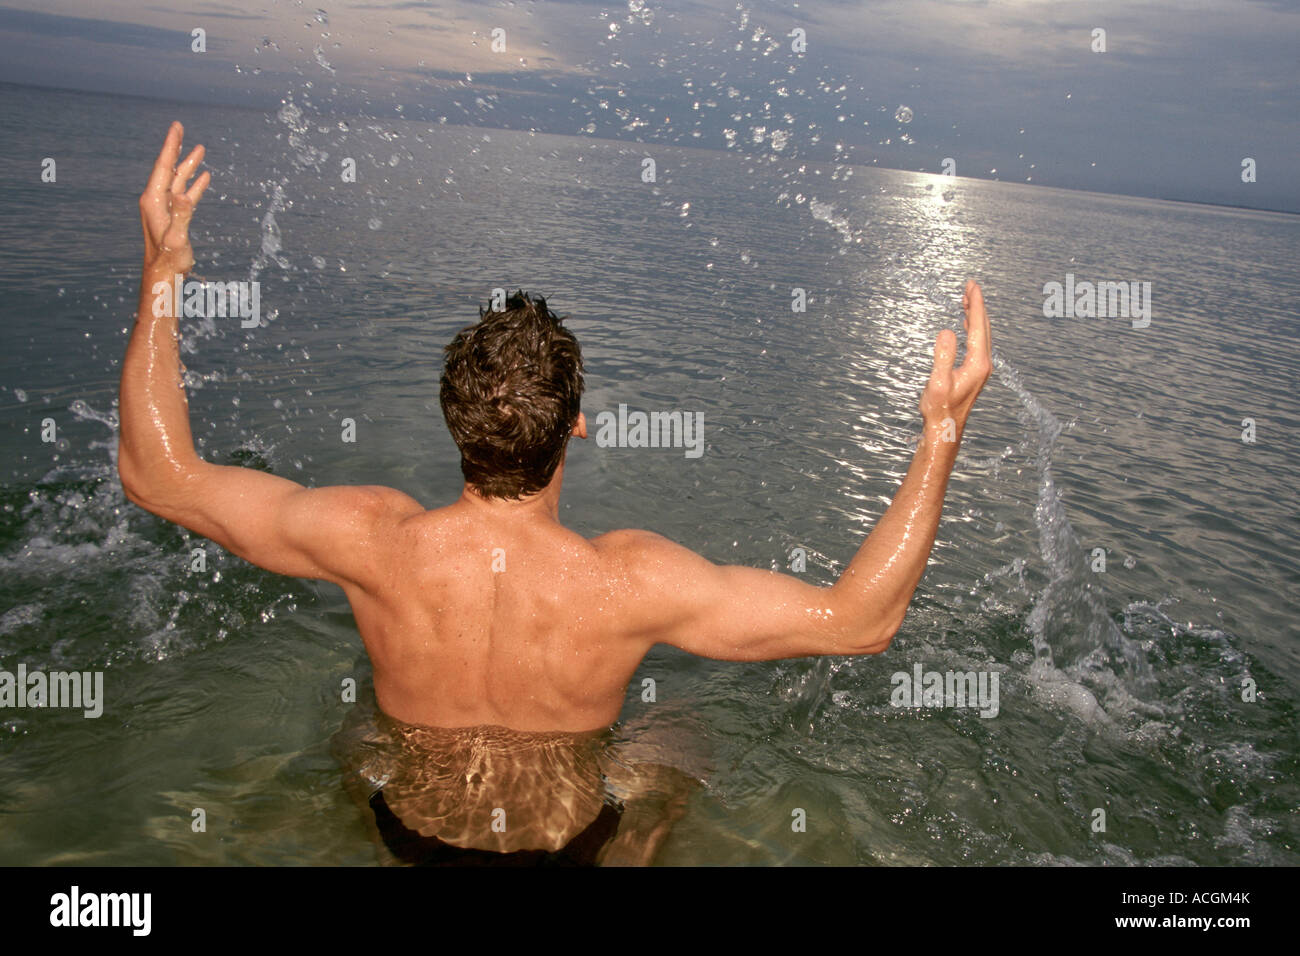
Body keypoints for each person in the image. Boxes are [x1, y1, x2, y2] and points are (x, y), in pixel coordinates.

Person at [120, 123, 993, 864]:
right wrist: (941, 429)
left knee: (359, 727)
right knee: (675, 736)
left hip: (408, 836)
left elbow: (159, 476)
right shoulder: (629, 581)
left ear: (453, 420)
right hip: (565, 845)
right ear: (576, 425)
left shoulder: (371, 538)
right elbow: (859, 621)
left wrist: (164, 267)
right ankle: (642, 846)